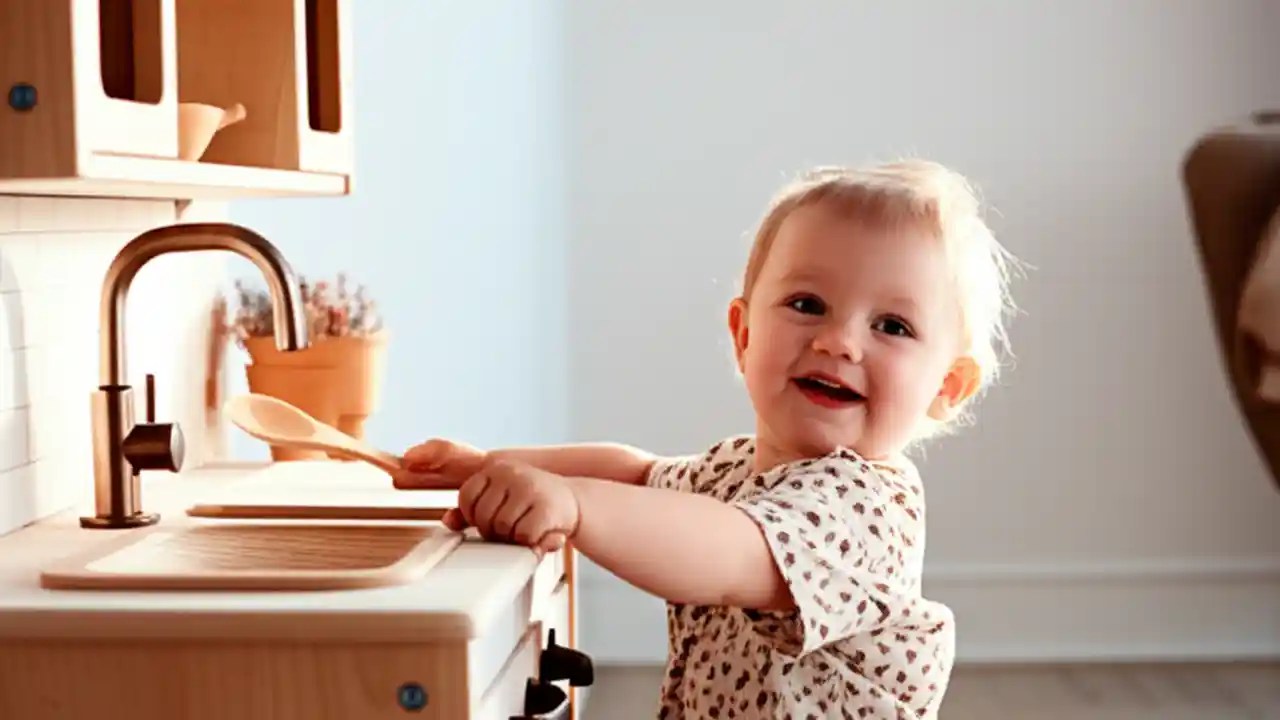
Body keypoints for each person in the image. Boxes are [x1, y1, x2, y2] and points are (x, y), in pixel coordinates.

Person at [393, 159, 1019, 719]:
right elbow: (637, 473)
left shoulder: (865, 511)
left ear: (948, 385)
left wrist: (573, 506)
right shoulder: (739, 469)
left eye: (892, 325)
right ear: (743, 335)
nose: (839, 342)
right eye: (807, 303)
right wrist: (487, 464)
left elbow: (729, 555)